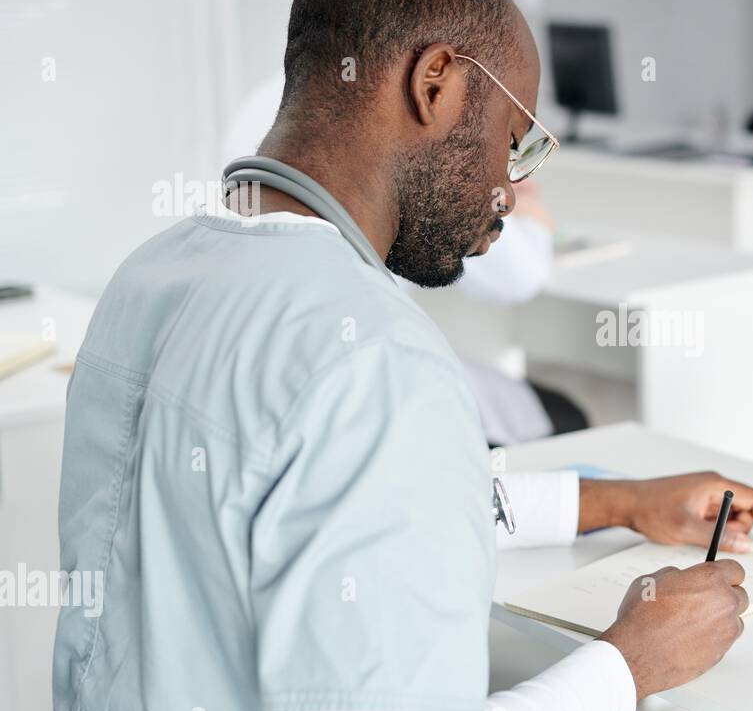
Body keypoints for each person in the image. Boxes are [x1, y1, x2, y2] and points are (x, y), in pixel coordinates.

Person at [53, 0, 753, 711]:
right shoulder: (373, 361)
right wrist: (631, 664)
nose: (510, 188)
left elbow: (304, 507)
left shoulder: (151, 276)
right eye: (514, 142)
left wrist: (614, 502)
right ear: (435, 83)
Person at [224, 73, 579, 445]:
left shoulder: (265, 104)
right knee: (563, 414)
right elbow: (519, 276)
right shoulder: (416, 124)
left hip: (280, 396)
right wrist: (530, 218)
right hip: (374, 400)